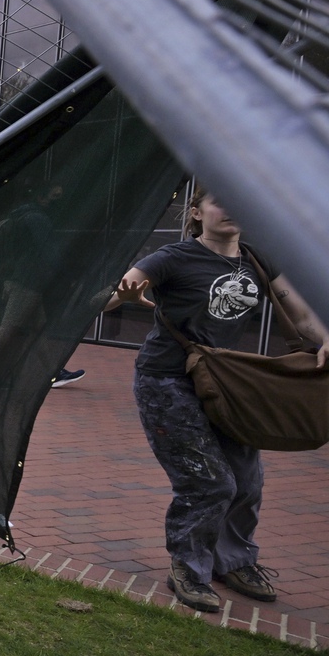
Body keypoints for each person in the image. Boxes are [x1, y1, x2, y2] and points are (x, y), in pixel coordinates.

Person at [108, 185, 327, 613]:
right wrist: (124, 296)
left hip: (225, 380)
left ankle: (235, 562)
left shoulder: (257, 259)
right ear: (196, 212)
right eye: (219, 201)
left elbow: (301, 316)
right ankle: (188, 568)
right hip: (167, 381)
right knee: (210, 483)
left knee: (247, 482)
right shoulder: (173, 257)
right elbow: (117, 293)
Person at [0, 183, 64, 389]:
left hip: (20, 280)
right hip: (27, 282)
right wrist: (63, 273)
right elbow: (49, 252)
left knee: (38, 328)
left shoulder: (19, 217)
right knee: (8, 327)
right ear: (41, 198)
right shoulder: (37, 219)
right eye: (54, 196)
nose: (56, 200)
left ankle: (54, 373)